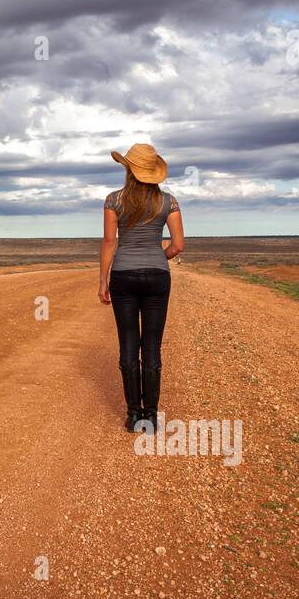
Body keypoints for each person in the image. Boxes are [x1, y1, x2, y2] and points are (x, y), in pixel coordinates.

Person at [97, 144, 185, 431]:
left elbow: (110, 243)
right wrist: (161, 256)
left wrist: (102, 281)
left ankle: (133, 414)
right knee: (151, 346)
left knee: (128, 343)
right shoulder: (169, 201)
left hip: (123, 275)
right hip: (157, 275)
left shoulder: (113, 201)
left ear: (128, 169)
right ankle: (151, 415)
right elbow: (178, 245)